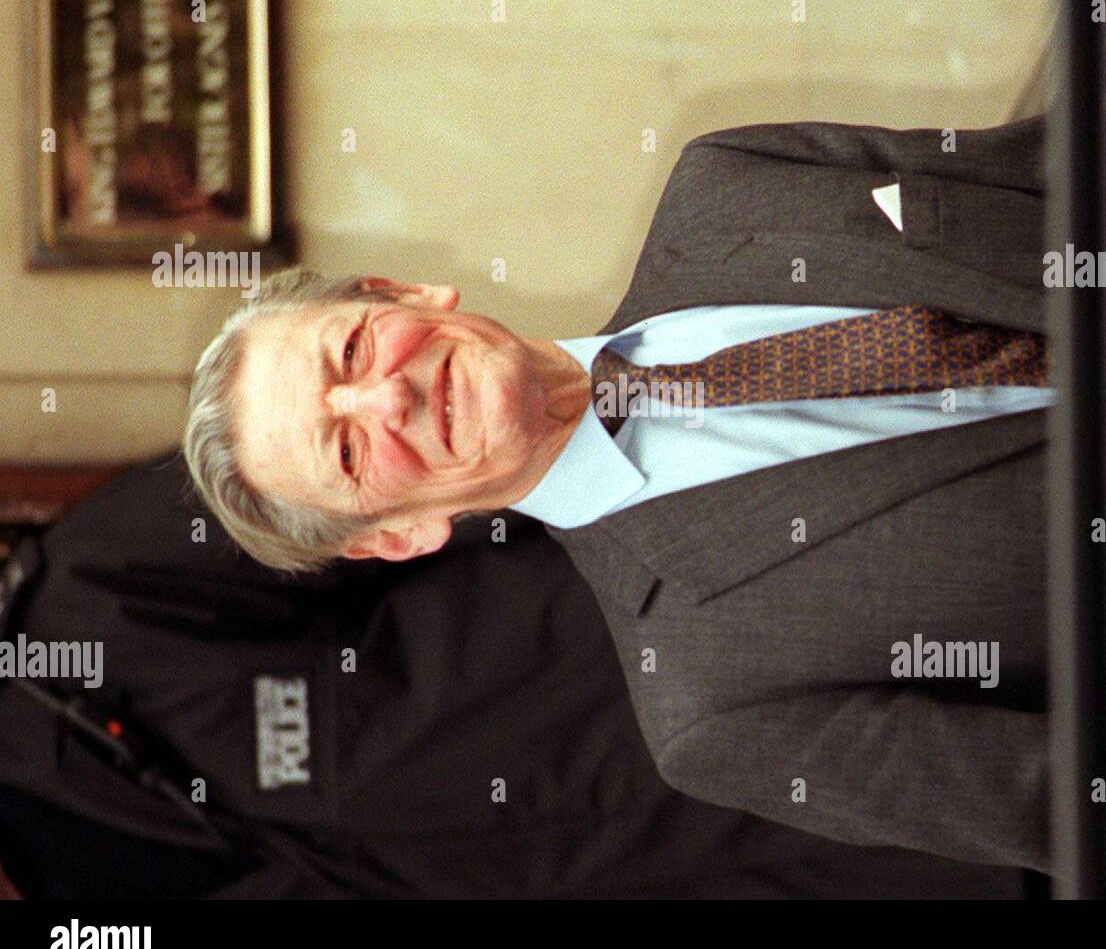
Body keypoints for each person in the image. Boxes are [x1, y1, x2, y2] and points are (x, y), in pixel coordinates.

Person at [183, 115, 1055, 871]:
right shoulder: (712, 707)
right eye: (346, 448)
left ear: (403, 292)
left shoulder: (729, 185)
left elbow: (1079, 159)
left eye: (353, 351)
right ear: (401, 535)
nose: (389, 396)